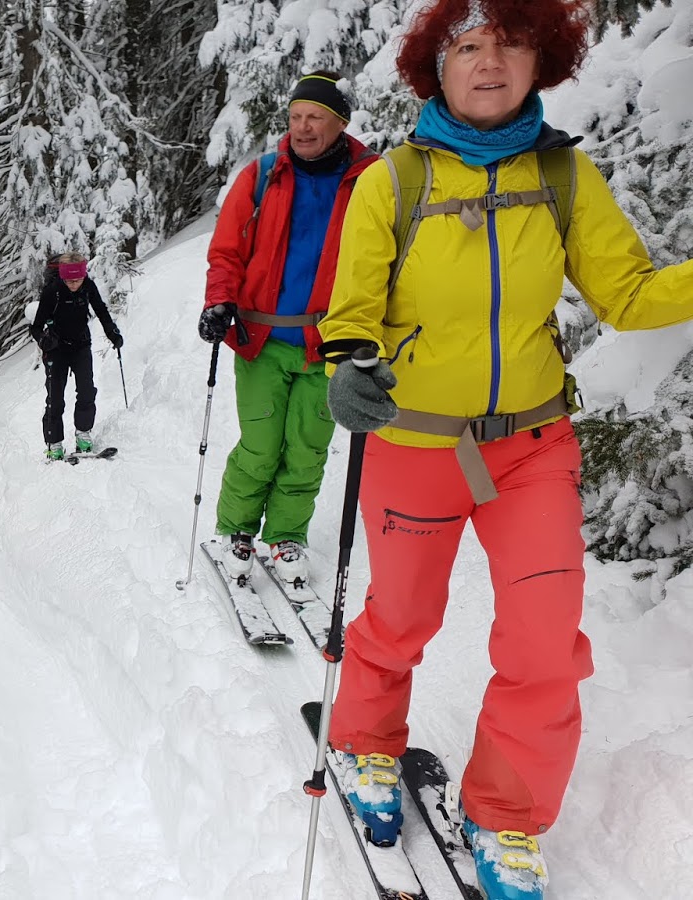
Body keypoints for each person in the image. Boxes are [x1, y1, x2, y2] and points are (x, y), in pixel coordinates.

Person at [317, 1, 693, 896]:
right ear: (437, 66)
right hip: (415, 440)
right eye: (470, 46)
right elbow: (351, 311)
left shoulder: (564, 175)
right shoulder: (393, 181)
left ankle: (505, 814)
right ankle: (365, 741)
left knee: (544, 641)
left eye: (512, 44)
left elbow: (629, 295)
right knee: (402, 617)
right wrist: (347, 366)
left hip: (531, 446)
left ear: (541, 62)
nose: (491, 62)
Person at [198, 72, 379, 584]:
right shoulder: (261, 176)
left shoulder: (371, 180)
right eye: (296, 116)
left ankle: (286, 535)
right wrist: (219, 301)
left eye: (315, 117)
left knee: (306, 451)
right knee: (260, 446)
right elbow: (227, 250)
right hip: (262, 341)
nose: (302, 127)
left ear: (340, 123)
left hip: (331, 347)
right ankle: (236, 528)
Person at [29, 253, 123, 459]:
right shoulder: (52, 291)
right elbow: (35, 327)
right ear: (62, 277)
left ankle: (83, 434)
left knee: (87, 391)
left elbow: (101, 310)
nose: (74, 284)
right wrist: (43, 340)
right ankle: (54, 444)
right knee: (55, 398)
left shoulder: (88, 286)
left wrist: (113, 333)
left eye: (78, 279)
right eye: (70, 281)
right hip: (56, 349)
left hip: (81, 345)